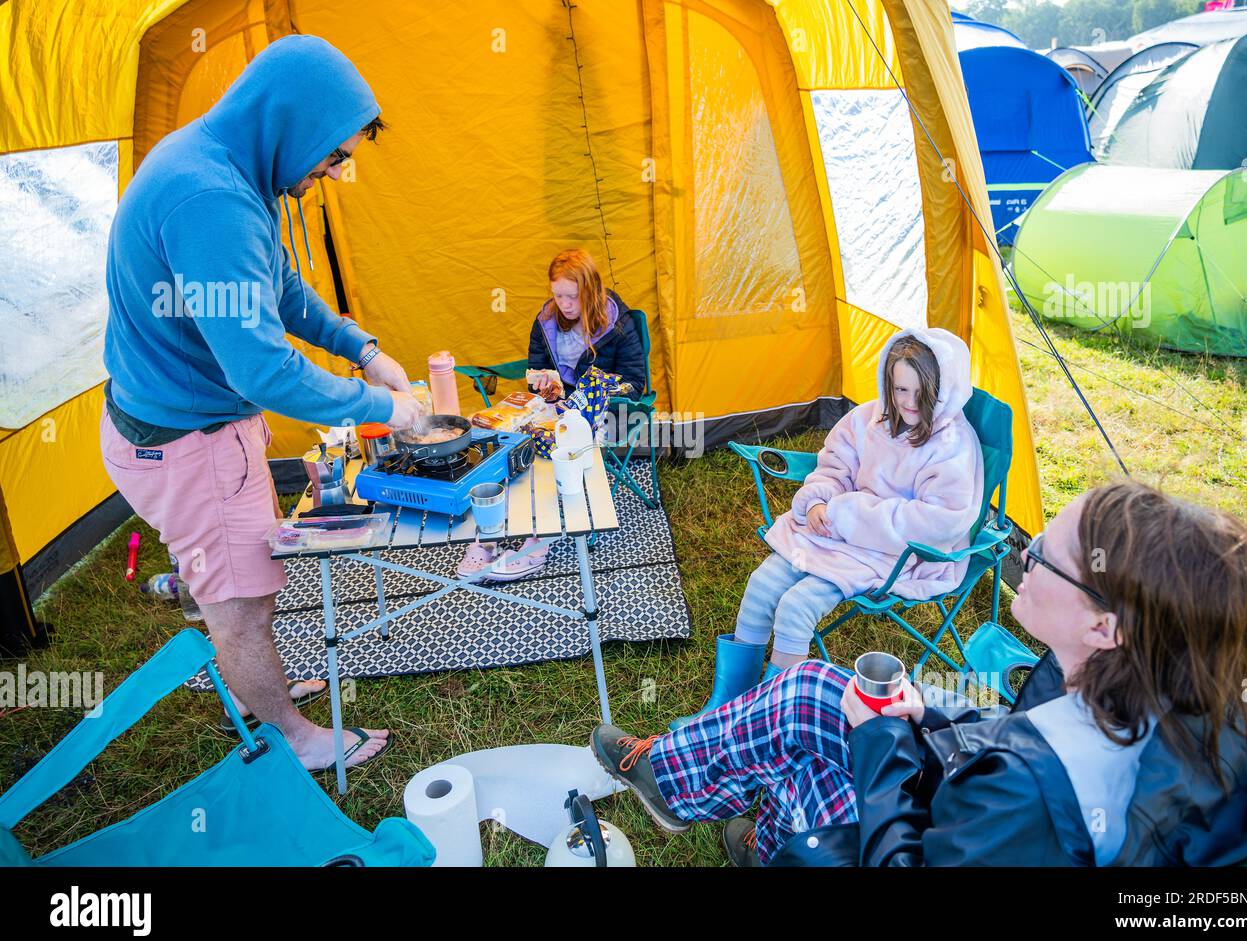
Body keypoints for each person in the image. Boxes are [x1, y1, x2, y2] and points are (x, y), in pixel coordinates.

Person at [592, 481, 1247, 866]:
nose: (1016, 559)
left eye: (1038, 555)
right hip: (991, 811)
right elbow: (1014, 736)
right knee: (816, 695)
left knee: (821, 763)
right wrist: (931, 717)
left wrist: (880, 745)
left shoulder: (1035, 793)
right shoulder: (1201, 687)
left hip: (967, 834)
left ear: (1104, 625)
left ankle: (767, 835)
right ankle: (685, 788)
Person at [99, 36, 424, 773]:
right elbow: (264, 372)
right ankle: (289, 737)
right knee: (241, 602)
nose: (335, 173)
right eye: (334, 155)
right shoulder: (212, 201)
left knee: (245, 580)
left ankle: (255, 697)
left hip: (186, 426)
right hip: (190, 442)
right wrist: (385, 406)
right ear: (293, 123)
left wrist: (361, 345)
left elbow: (278, 290)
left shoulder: (227, 163)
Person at [672, 328, 984, 728]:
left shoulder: (952, 446)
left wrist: (848, 514)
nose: (907, 403)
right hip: (835, 532)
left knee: (796, 608)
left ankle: (768, 722)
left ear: (942, 391)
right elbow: (835, 465)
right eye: (899, 390)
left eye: (919, 394)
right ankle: (726, 704)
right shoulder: (869, 418)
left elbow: (936, 522)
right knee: (762, 584)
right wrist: (819, 499)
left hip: (892, 553)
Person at [458, 248, 646, 580]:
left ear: (591, 290)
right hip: (554, 404)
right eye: (558, 295)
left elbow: (636, 383)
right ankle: (487, 538)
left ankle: (536, 545)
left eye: (572, 296)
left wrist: (597, 389)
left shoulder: (618, 323)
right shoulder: (546, 320)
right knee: (507, 441)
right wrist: (544, 383)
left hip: (598, 409)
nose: (565, 304)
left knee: (561, 453)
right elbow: (535, 373)